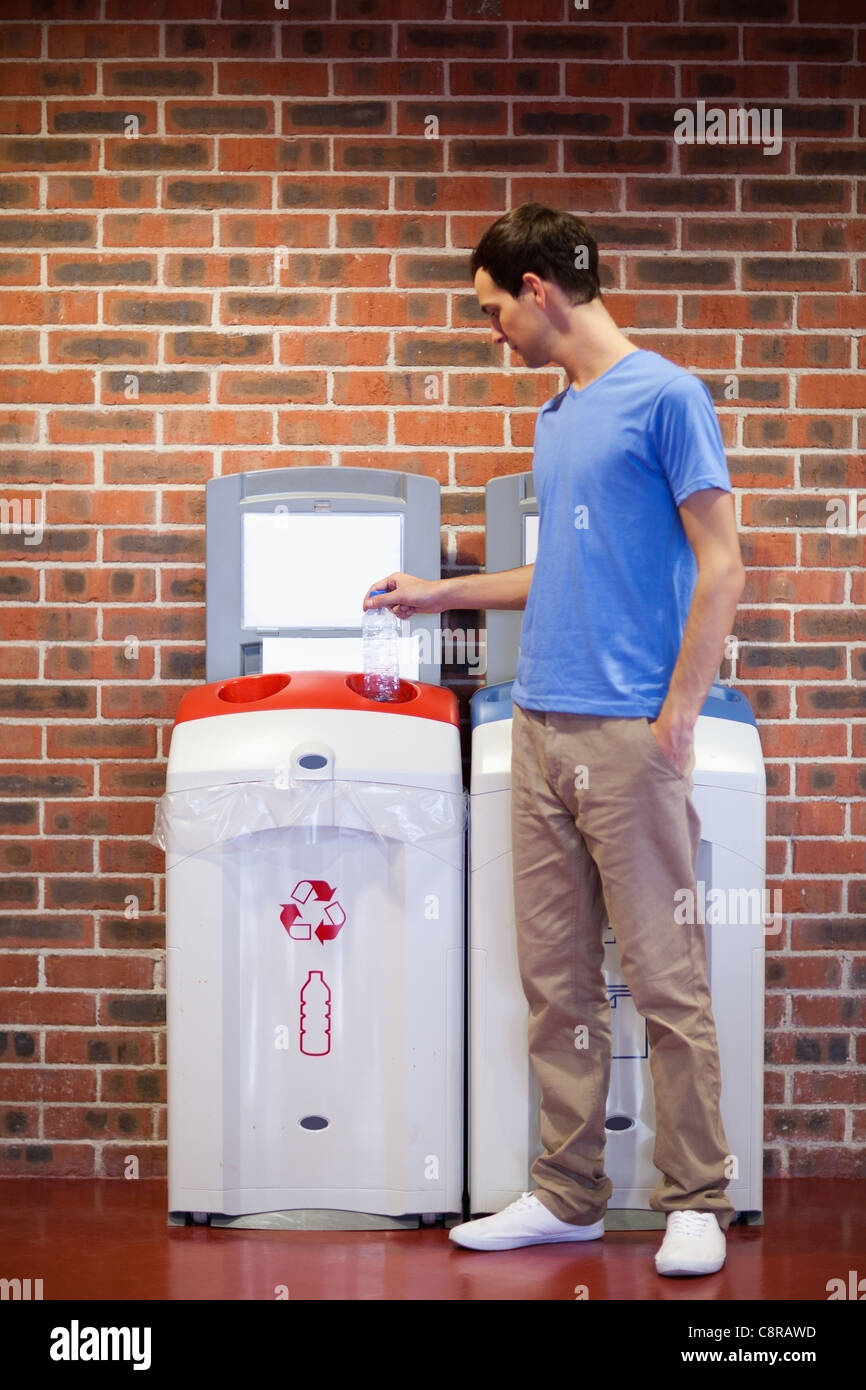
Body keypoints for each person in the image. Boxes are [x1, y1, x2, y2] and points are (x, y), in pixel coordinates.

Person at [362, 203, 746, 1278]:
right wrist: (441, 592)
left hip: (627, 736)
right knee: (558, 983)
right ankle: (567, 1194)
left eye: (491, 308)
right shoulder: (560, 408)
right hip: (536, 725)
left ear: (536, 289)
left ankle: (694, 1197)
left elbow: (722, 565)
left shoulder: (665, 398)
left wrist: (676, 713)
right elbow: (562, 575)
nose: (491, 330)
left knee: (666, 980)